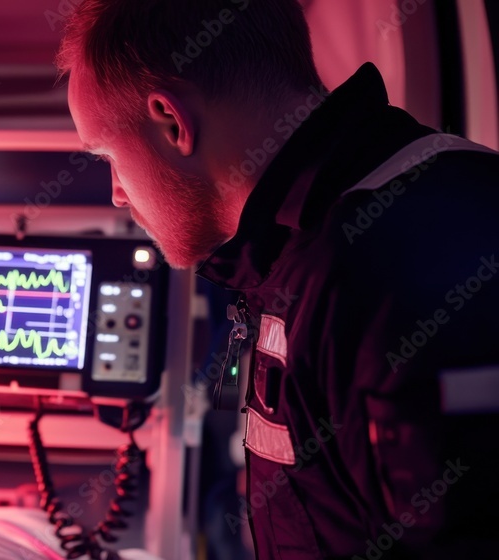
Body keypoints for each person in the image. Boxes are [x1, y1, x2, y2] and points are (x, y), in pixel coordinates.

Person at [58, 0, 499, 558]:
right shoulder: (300, 246)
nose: (117, 194)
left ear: (171, 122)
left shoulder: (372, 268)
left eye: (107, 156)